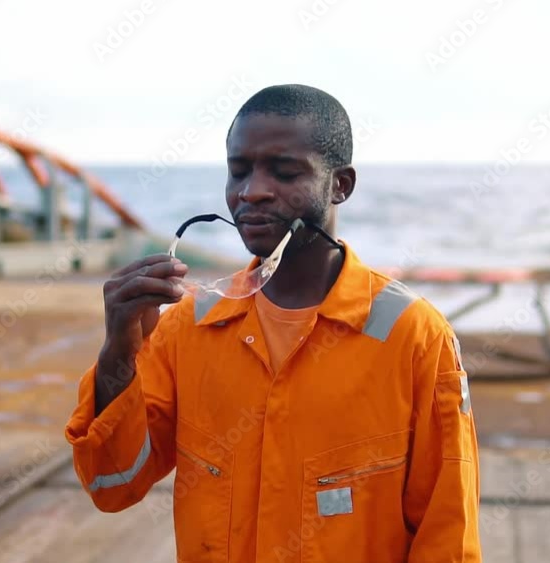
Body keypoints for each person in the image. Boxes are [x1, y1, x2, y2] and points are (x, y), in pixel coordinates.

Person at [65, 84, 482, 562]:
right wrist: (119, 352)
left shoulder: (412, 335)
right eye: (238, 170)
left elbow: (448, 534)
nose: (252, 191)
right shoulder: (189, 328)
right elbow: (111, 483)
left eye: (284, 172)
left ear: (339, 185)